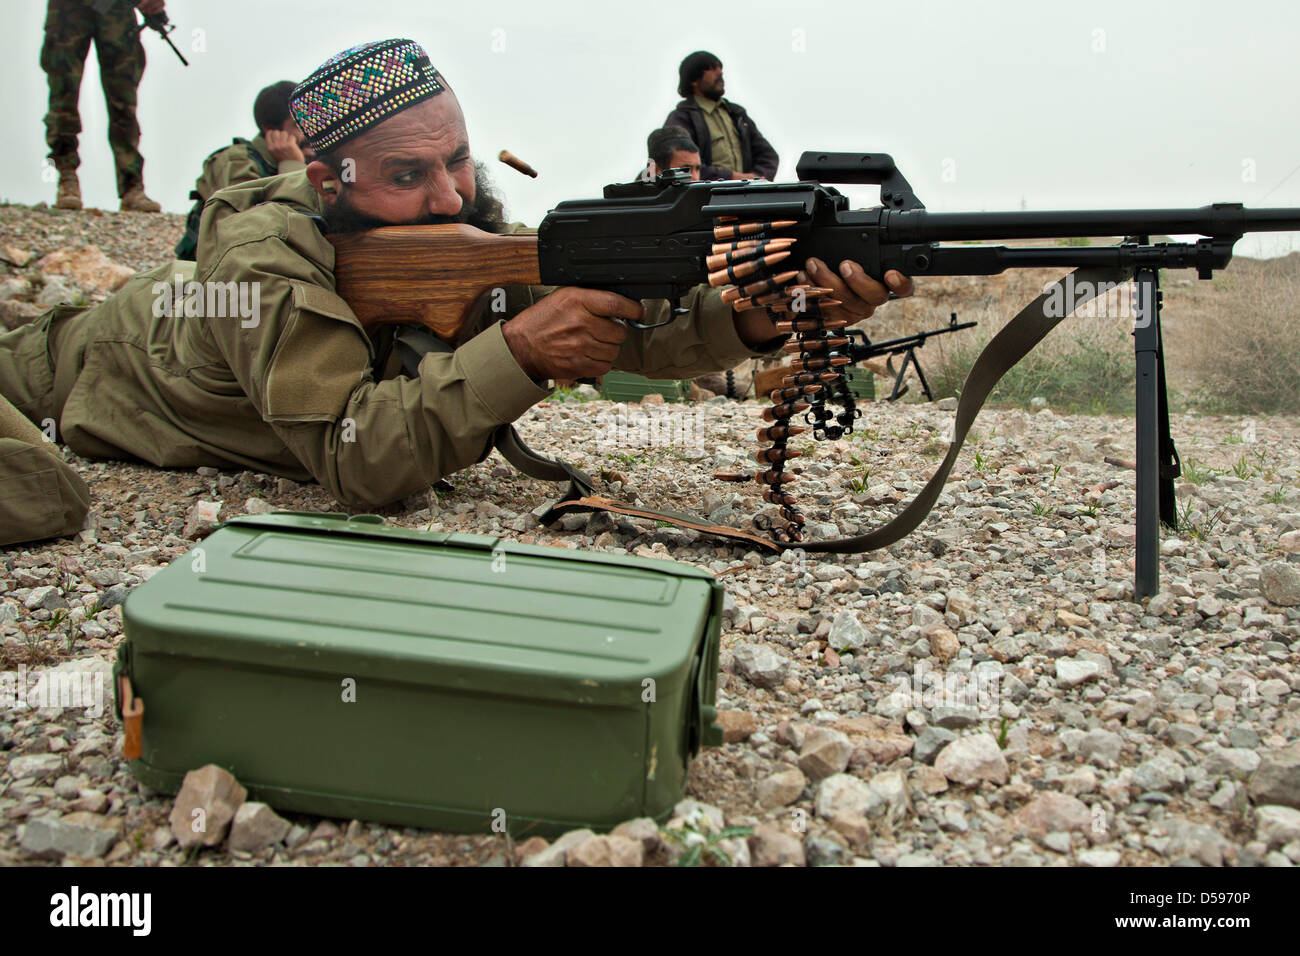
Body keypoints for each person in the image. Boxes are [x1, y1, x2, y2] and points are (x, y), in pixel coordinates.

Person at [0, 38, 911, 544]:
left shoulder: (459, 234)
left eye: (458, 159)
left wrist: (758, 310)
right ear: (329, 184)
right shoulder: (262, 261)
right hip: (71, 367)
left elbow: (629, 331)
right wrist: (518, 354)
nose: (448, 196)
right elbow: (360, 462)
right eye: (408, 175)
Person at [41, 0, 165, 212]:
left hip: (116, 6)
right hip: (68, 7)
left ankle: (132, 186)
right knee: (64, 92)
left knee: (123, 99)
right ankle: (66, 177)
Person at [174, 81, 316, 260]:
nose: (311, 133)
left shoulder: (313, 163)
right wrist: (291, 167)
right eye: (298, 126)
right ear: (270, 129)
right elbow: (251, 231)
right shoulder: (237, 161)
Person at [663, 51, 778, 182]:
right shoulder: (682, 117)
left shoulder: (736, 114)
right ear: (694, 80)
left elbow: (768, 156)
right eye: (712, 69)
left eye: (720, 68)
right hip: (706, 198)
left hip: (744, 197)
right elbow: (681, 164)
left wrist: (756, 180)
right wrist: (734, 178)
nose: (720, 73)